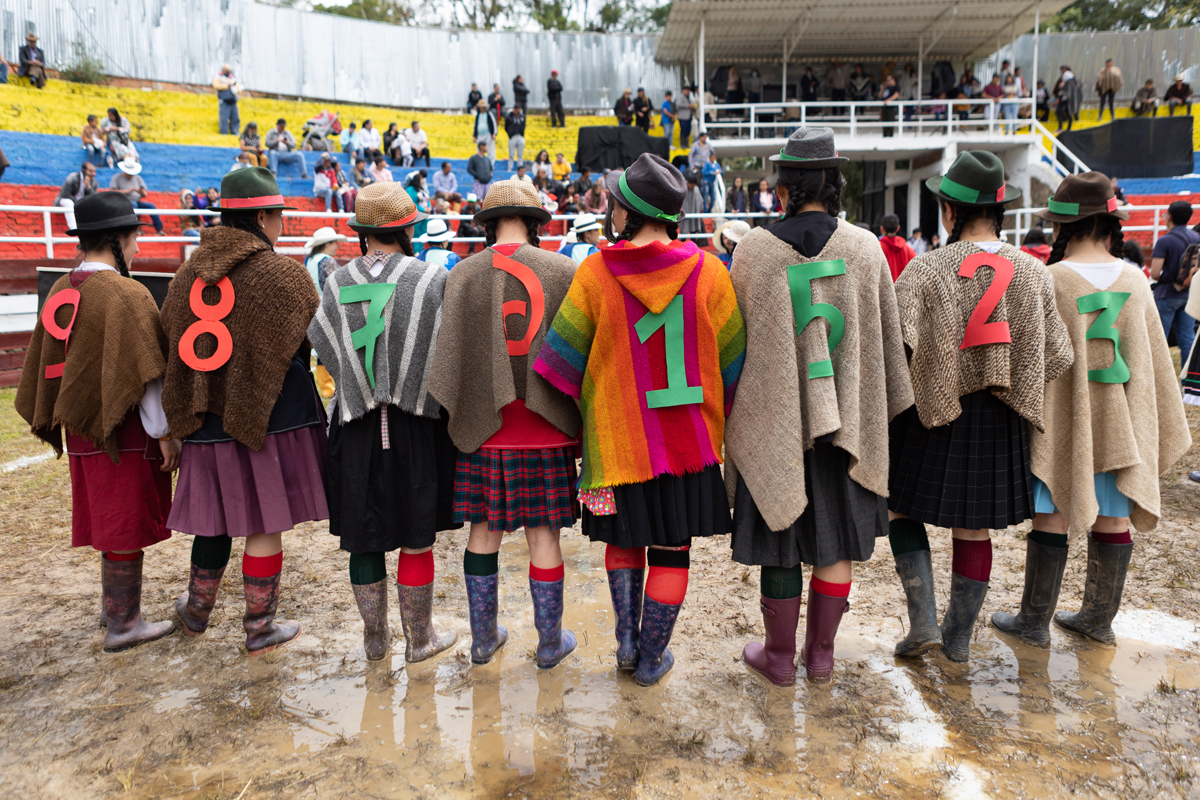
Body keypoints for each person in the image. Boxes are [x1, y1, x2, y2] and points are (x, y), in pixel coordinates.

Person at [533, 153, 746, 686]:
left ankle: (627, 644)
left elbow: (559, 362)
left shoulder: (595, 274)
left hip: (615, 443)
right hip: (689, 445)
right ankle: (652, 658)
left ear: (626, 214)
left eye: (614, 203)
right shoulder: (711, 273)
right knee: (673, 549)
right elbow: (734, 361)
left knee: (623, 541)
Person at [724, 128, 914, 686]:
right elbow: (885, 343)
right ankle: (822, 657)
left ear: (782, 187)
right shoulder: (864, 248)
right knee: (835, 540)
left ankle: (779, 659)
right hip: (847, 420)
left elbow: (734, 346)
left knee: (780, 541)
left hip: (774, 418)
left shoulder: (753, 251)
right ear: (834, 183)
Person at [887, 150, 1073, 665]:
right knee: (975, 527)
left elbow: (897, 343)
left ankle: (922, 619)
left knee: (899, 506)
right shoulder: (1034, 273)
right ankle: (959, 637)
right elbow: (1057, 352)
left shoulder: (927, 269)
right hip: (1001, 413)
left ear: (950, 212)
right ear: (1001, 211)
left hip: (933, 405)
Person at [992, 172, 1191, 651]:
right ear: (1110, 224)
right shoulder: (1136, 282)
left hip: (1065, 419)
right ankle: (1098, 619)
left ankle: (1034, 621)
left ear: (1063, 226)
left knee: (1053, 511)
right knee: (1114, 514)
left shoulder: (1050, 278)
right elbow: (1152, 368)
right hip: (1121, 420)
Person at [164, 167, 328, 656]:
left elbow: (170, 335)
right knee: (262, 524)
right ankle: (259, 628)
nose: (281, 226)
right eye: (277, 216)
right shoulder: (283, 274)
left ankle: (195, 611)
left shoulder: (186, 273)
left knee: (212, 520)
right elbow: (304, 344)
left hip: (202, 414)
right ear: (261, 216)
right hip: (269, 416)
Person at [428, 180, 581, 670]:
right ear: (536, 223)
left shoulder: (463, 274)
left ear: (488, 222)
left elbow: (447, 362)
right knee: (544, 536)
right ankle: (550, 643)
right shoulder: (564, 270)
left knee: (482, 532)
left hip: (484, 428)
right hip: (547, 427)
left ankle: (481, 640)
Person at [16, 192, 178, 651]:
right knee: (124, 519)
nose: (138, 249)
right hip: (121, 429)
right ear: (115, 239)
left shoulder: (63, 287)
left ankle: (116, 609)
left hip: (82, 427)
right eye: (134, 239)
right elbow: (146, 374)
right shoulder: (126, 294)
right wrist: (163, 432)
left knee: (110, 518)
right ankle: (124, 624)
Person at [307, 183, 457, 664]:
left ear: (363, 231)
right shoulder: (431, 278)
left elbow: (327, 349)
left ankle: (375, 638)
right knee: (416, 533)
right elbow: (445, 353)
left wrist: (363, 382)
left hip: (355, 424)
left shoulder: (336, 281)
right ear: (406, 229)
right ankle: (421, 639)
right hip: (416, 425)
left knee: (364, 534)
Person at [1149, 201, 1199, 360]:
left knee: (1160, 339)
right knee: (1187, 337)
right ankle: (1187, 381)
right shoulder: (1196, 237)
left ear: (1169, 216)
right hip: (1188, 293)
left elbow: (1155, 273)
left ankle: (1160, 379)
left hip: (1166, 294)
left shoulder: (1164, 241)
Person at [302, 225, 346, 397]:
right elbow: (338, 285)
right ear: (327, 244)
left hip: (314, 306)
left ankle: (326, 387)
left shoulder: (310, 259)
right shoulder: (328, 261)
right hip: (329, 307)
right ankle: (331, 386)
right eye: (335, 242)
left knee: (321, 349)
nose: (337, 245)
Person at [108, 157, 163, 235]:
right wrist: (128, 191)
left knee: (151, 206)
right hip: (123, 202)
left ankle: (159, 229)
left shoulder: (138, 178)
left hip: (137, 202)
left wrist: (140, 192)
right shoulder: (117, 177)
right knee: (133, 205)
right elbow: (112, 192)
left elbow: (145, 194)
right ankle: (135, 230)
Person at [55, 162, 98, 231]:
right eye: (90, 171)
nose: (93, 174)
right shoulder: (72, 178)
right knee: (68, 202)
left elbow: (95, 198)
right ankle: (74, 229)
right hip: (65, 200)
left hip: (81, 202)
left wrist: (88, 187)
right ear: (83, 170)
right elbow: (65, 194)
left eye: (94, 171)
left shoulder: (94, 182)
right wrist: (79, 202)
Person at [879, 212, 916, 280]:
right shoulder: (908, 249)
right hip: (904, 289)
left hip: (884, 290)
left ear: (881, 228)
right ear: (898, 228)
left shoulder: (878, 248)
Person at [404, 170, 431, 249]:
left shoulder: (422, 189)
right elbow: (411, 202)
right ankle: (416, 252)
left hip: (425, 216)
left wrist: (429, 208)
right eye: (421, 179)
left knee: (423, 233)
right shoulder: (410, 189)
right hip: (416, 215)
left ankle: (420, 251)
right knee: (416, 233)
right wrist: (423, 209)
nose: (422, 181)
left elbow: (427, 199)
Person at [213, 64, 242, 135]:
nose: (228, 72)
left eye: (229, 71)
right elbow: (215, 86)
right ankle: (224, 133)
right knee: (224, 118)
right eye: (226, 71)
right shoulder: (218, 77)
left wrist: (233, 85)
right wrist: (227, 85)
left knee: (235, 117)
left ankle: (235, 132)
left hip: (233, 101)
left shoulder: (232, 78)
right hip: (224, 101)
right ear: (223, 70)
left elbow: (239, 88)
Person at [1053, 66, 1082, 133]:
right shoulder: (1068, 81)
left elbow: (1072, 93)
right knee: (1061, 112)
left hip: (1068, 101)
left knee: (1068, 113)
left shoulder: (1071, 81)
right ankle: (1062, 127)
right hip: (1064, 100)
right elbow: (1058, 90)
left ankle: (1068, 128)